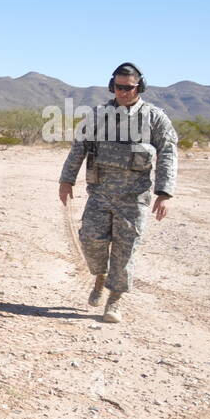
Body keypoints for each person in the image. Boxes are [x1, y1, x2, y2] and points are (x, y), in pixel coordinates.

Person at [58, 63, 178, 323]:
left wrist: (164, 193)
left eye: (128, 87)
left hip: (134, 198)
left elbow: (168, 152)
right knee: (90, 240)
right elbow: (79, 147)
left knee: (125, 251)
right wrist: (66, 180)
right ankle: (99, 278)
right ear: (112, 86)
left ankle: (114, 300)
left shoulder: (154, 118)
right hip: (100, 193)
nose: (122, 92)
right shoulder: (97, 115)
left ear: (140, 87)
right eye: (118, 86)